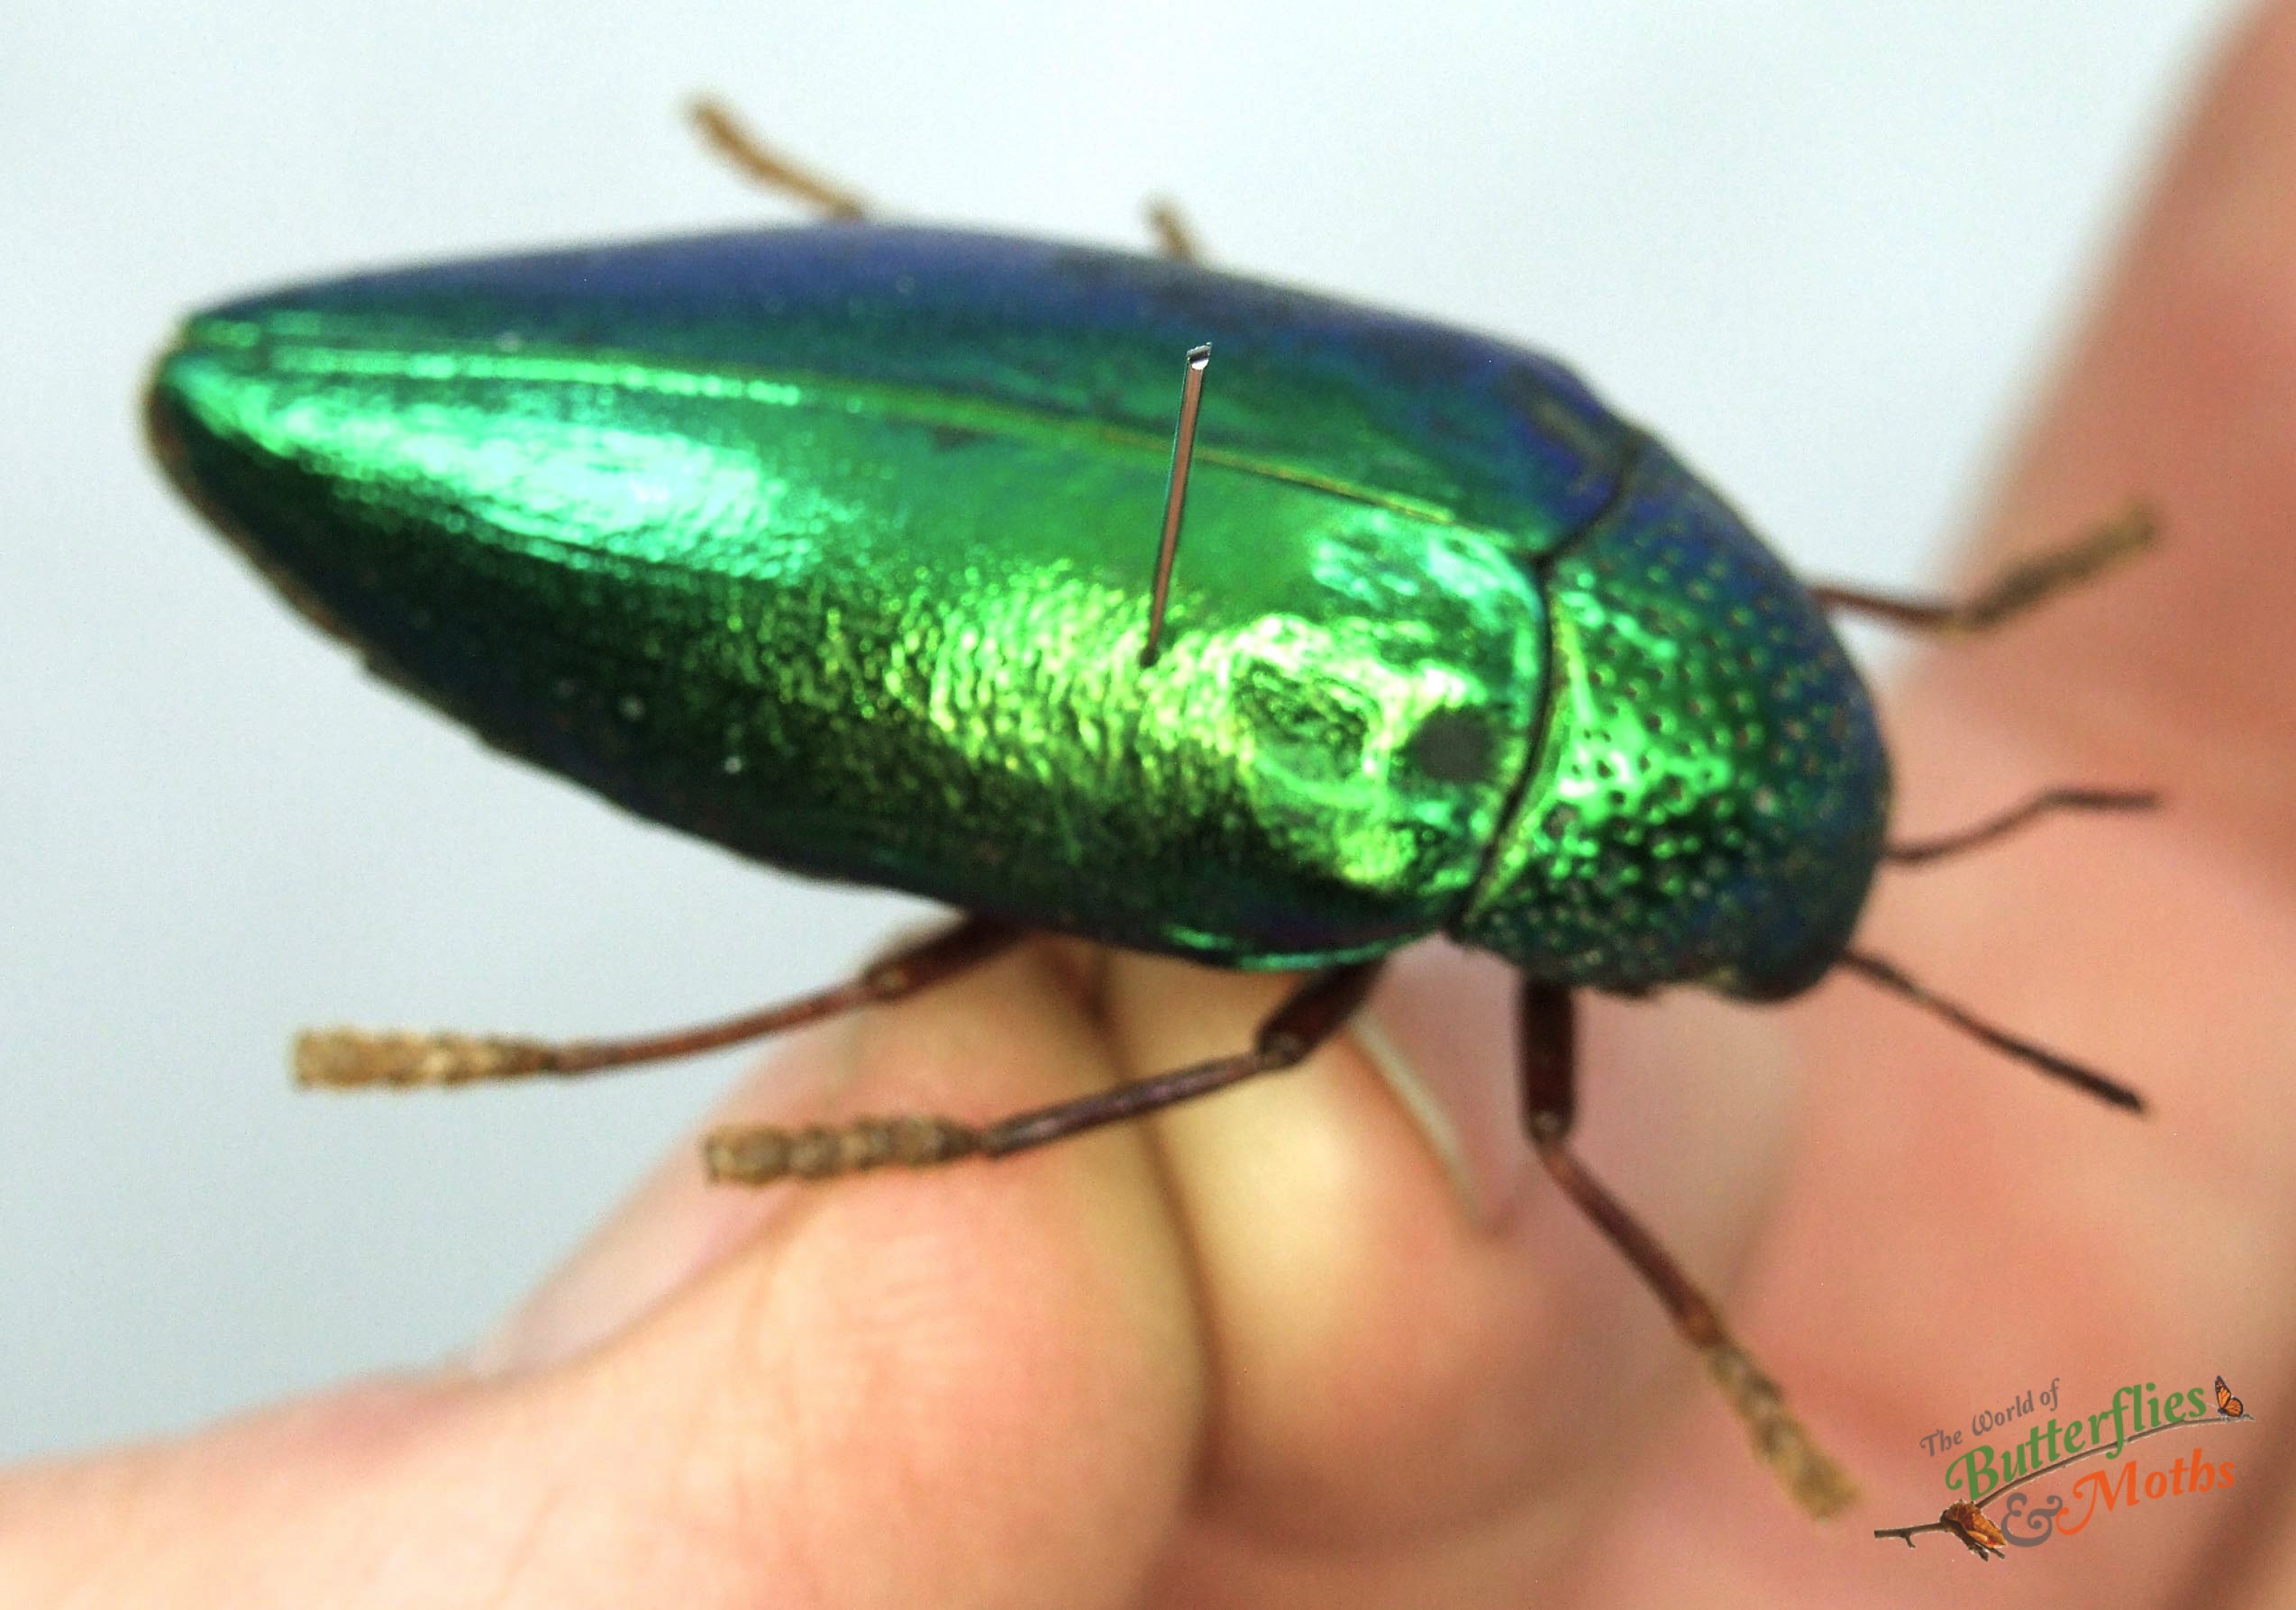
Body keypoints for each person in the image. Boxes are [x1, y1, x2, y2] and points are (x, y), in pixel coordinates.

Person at [7, 5, 2292, 1601]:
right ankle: (699, 1087)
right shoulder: (1373, 850)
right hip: (854, 469)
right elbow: (1543, 1134)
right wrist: (1723, 1365)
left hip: (904, 429)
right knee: (1366, 1108)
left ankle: (657, 1062)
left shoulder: (1563, 462)